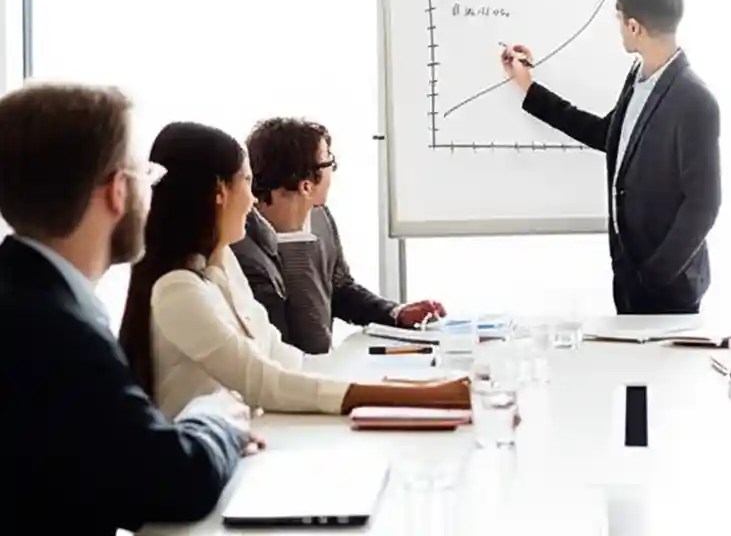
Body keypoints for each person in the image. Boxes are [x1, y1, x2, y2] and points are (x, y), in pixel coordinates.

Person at [0, 84, 251, 534]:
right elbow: (173, 481)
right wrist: (217, 416)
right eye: (147, 177)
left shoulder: (28, 296)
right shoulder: (54, 331)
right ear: (118, 191)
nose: (151, 196)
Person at [119, 121, 470, 418]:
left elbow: (285, 357)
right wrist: (421, 397)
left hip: (249, 443)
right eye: (246, 180)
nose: (254, 198)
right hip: (209, 476)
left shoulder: (221, 263)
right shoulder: (178, 290)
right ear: (219, 192)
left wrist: (416, 385)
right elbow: (264, 383)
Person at [501, 0, 721, 314]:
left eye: (618, 18)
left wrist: (653, 276)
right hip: (631, 278)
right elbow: (608, 135)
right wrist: (529, 87)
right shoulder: (639, 77)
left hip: (668, 288)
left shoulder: (695, 100)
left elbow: (704, 205)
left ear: (634, 26)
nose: (618, 27)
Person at [231, 117, 445, 354]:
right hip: (277, 379)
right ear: (306, 186)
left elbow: (340, 288)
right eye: (328, 162)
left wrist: (395, 313)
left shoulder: (320, 216)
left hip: (324, 370)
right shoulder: (238, 240)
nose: (333, 170)